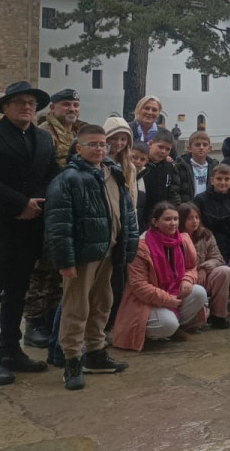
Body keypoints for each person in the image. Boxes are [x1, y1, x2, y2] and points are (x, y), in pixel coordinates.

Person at [0, 81, 58, 385]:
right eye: (19, 102)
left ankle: (11, 350)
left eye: (31, 102)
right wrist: (21, 203)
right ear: (5, 107)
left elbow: (51, 175)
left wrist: (37, 203)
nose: (27, 107)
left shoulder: (43, 139)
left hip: (28, 230)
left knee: (17, 294)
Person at [45, 123, 137, 389]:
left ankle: (95, 352)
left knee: (102, 303)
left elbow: (127, 212)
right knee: (76, 307)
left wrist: (127, 246)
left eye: (102, 144)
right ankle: (72, 358)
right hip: (84, 255)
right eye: (93, 144)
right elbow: (59, 225)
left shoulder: (113, 173)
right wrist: (66, 261)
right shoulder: (68, 179)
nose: (99, 149)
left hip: (108, 250)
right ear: (79, 148)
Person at [23, 88, 85, 348]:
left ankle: (52, 319)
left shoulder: (78, 132)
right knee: (42, 268)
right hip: (49, 207)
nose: (71, 109)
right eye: (66, 105)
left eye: (75, 105)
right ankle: (34, 323)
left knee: (61, 267)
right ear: (53, 109)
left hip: (70, 207)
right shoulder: (44, 133)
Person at [112, 203, 208, 351]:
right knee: (167, 324)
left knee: (199, 292)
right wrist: (166, 299)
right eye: (168, 219)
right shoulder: (141, 246)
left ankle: (176, 327)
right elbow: (139, 285)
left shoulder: (182, 240)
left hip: (174, 293)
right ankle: (153, 333)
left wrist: (187, 279)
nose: (173, 223)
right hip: (145, 301)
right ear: (155, 222)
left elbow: (191, 267)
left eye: (176, 219)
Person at [102, 116, 136, 333]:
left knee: (119, 279)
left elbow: (132, 200)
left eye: (124, 139)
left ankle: (114, 321)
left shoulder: (128, 166)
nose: (120, 143)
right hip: (106, 228)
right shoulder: (100, 164)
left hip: (123, 227)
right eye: (115, 138)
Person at [177, 202, 230, 329]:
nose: (195, 221)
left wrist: (204, 268)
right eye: (190, 218)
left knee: (225, 271)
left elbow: (217, 258)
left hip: (203, 278)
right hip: (185, 281)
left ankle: (219, 316)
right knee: (198, 319)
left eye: (197, 217)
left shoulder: (205, 234)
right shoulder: (175, 237)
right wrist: (193, 274)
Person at [193, 164, 230, 273]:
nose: (223, 182)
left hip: (227, 248)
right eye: (219, 179)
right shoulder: (200, 199)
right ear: (212, 180)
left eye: (227, 179)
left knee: (229, 279)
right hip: (204, 247)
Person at [138, 131, 181, 226]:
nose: (163, 151)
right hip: (141, 216)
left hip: (161, 218)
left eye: (167, 149)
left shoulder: (170, 166)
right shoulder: (140, 165)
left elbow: (172, 192)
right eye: (160, 147)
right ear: (150, 144)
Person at [174, 130, 218, 203]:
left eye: (205, 145)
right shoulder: (181, 166)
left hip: (208, 208)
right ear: (189, 148)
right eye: (197, 145)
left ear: (210, 148)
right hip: (188, 208)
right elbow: (175, 191)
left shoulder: (214, 167)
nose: (201, 147)